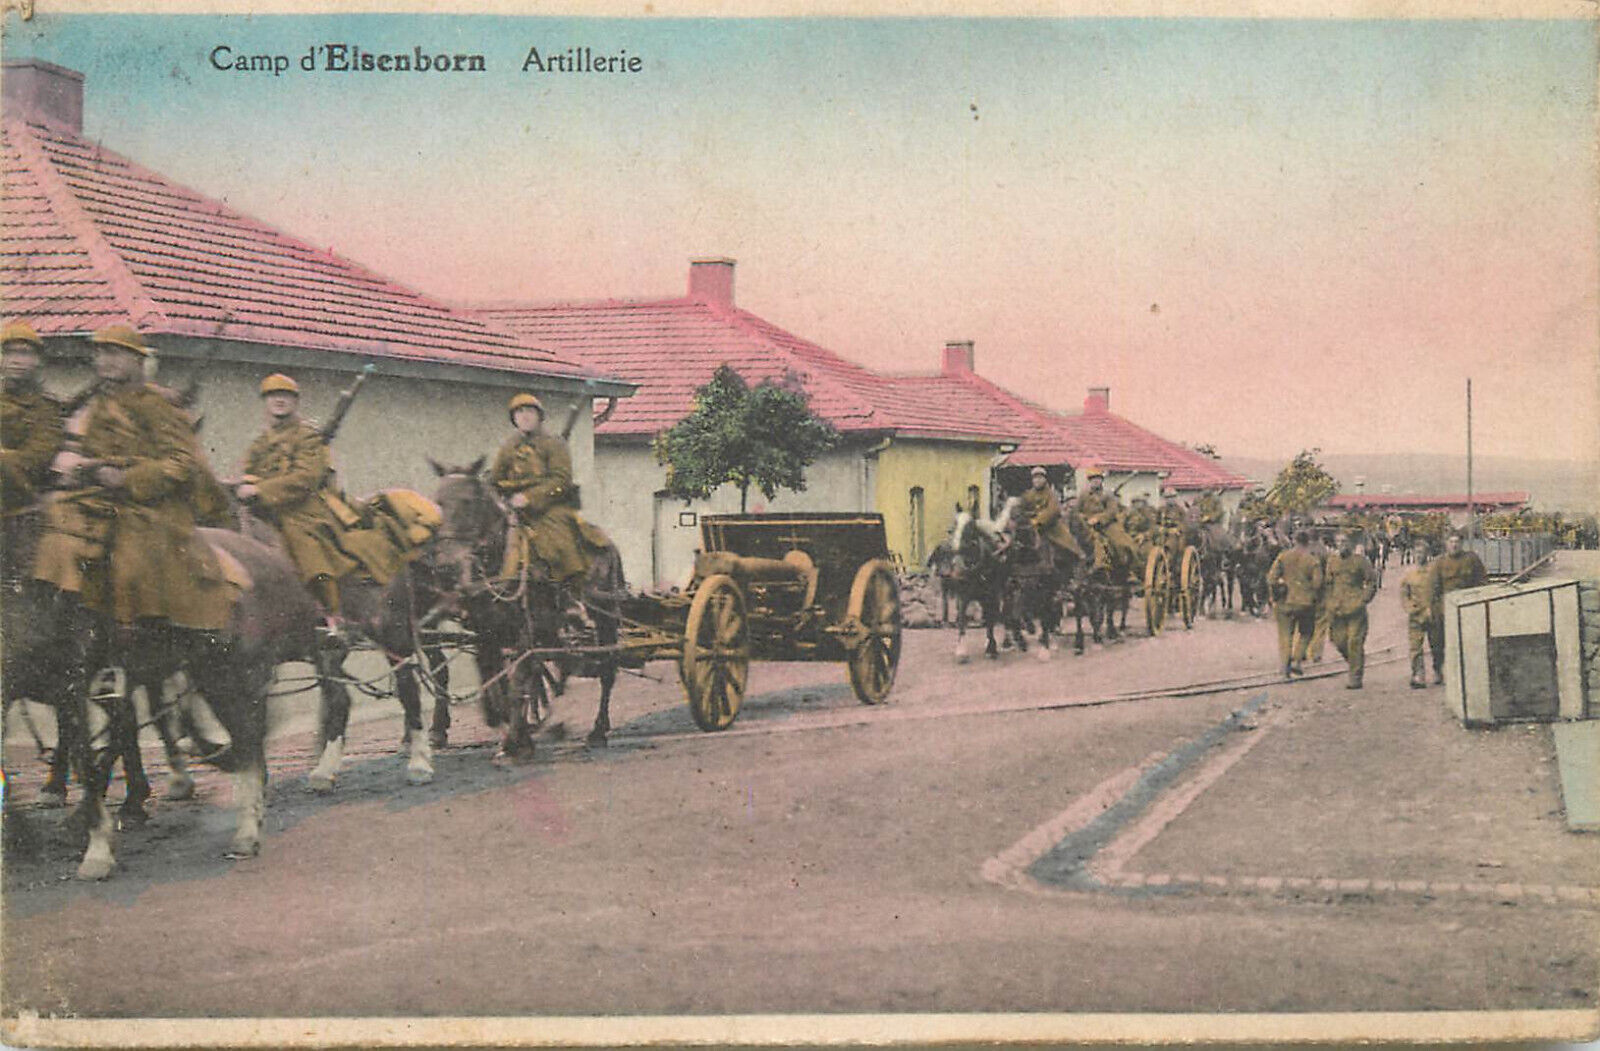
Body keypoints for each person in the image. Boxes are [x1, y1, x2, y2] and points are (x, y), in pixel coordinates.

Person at [33, 325, 235, 637]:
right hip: (100, 497)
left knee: (128, 554)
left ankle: (130, 637)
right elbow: (95, 454)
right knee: (52, 520)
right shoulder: (102, 404)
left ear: (137, 360)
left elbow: (182, 463)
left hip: (154, 506)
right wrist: (82, 467)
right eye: (99, 353)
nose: (104, 360)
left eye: (114, 353)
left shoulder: (157, 405)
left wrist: (127, 478)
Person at [236, 374, 360, 627]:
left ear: (295, 402)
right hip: (266, 509)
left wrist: (260, 489)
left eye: (286, 396)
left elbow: (307, 477)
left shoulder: (307, 437)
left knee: (304, 544)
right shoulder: (260, 442)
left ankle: (330, 613)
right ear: (265, 401)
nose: (279, 400)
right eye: (273, 395)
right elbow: (248, 469)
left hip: (303, 510)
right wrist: (242, 483)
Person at [491, 391, 590, 588]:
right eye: (519, 413)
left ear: (539, 417)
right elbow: (495, 478)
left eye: (529, 411)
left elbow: (561, 479)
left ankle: (567, 591)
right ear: (514, 419)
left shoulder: (554, 444)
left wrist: (529, 497)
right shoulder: (508, 446)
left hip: (548, 506)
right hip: (511, 506)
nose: (524, 416)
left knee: (558, 543)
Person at [0, 320, 63, 518]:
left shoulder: (46, 406)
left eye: (24, 353)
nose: (16, 360)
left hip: (20, 494)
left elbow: (37, 458)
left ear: (38, 361)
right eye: (9, 353)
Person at [1427, 531, 1488, 685]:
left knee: (1470, 640)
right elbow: (1433, 588)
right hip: (1445, 608)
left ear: (1462, 544)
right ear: (1446, 544)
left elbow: (1482, 581)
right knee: (1438, 641)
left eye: (1457, 542)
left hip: (1468, 606)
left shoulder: (1471, 559)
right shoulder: (1439, 562)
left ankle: (1470, 672)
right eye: (1451, 542)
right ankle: (1438, 670)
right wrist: (1434, 609)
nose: (1454, 545)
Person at [1321, 530, 1379, 689]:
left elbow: (1372, 581)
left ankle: (1355, 677)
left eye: (1344, 541)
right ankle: (1355, 661)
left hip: (1355, 608)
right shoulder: (1332, 561)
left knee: (1354, 641)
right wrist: (1329, 602)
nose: (1342, 545)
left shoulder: (1360, 561)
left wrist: (1364, 599)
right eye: (1339, 542)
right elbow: (1327, 584)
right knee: (1338, 641)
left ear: (1351, 544)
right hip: (1337, 608)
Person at [1265, 529, 1323, 679]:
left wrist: (1280, 586)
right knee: (1306, 632)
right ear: (1308, 542)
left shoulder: (1283, 556)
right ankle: (1297, 659)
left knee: (1285, 635)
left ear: (1294, 541)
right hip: (1305, 604)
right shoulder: (1312, 560)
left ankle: (1284, 667)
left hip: (1285, 603)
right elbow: (1318, 584)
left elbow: (1271, 578)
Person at [1076, 466, 1137, 579]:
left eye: (1098, 479)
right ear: (1089, 481)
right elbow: (1077, 511)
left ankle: (1127, 570)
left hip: (1107, 525)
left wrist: (1099, 518)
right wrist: (1084, 518)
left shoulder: (1108, 495)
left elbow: (1112, 511)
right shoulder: (1083, 495)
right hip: (1087, 525)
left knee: (1121, 544)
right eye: (1093, 479)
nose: (1096, 481)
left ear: (1101, 480)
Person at [1017, 466, 1084, 562]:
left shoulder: (1051, 493)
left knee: (1067, 544)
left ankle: (1077, 560)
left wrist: (1038, 520)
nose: (1037, 480)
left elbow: (1053, 510)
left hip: (1052, 526)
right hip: (1032, 526)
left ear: (1044, 479)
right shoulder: (1028, 494)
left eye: (1040, 478)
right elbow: (1021, 507)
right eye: (1035, 478)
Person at [1398, 539, 1436, 689]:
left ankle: (1438, 670)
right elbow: (1403, 594)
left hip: (1432, 614)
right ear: (1413, 554)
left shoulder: (1433, 571)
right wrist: (1409, 607)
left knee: (1437, 646)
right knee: (1415, 647)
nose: (1419, 555)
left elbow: (1439, 592)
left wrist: (1435, 609)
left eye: (1422, 552)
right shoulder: (1408, 573)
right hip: (1416, 614)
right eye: (1417, 552)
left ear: (1427, 554)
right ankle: (1418, 675)